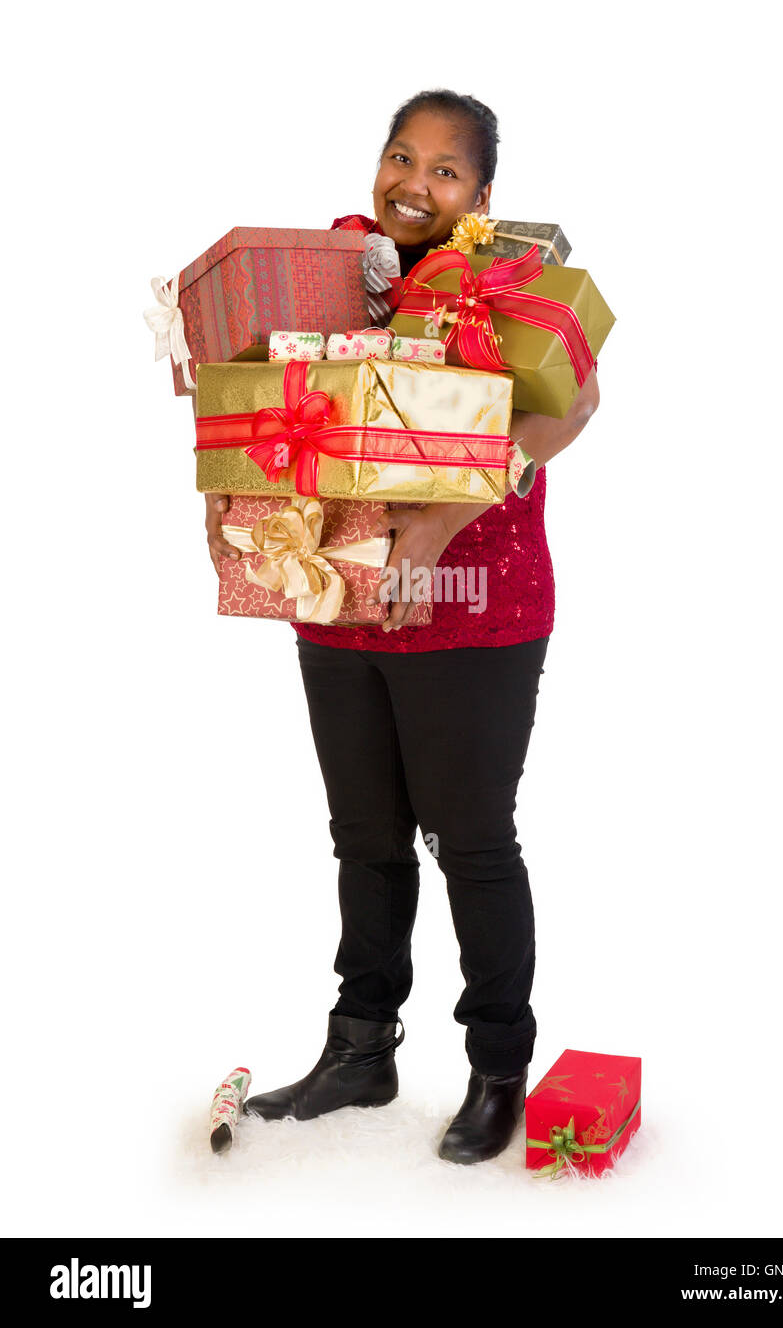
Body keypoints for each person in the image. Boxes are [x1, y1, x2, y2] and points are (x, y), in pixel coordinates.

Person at [206, 90, 601, 1163]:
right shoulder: (334, 273)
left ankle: (495, 1068)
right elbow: (265, 406)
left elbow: (574, 403)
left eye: (443, 170)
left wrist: (442, 518)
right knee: (363, 836)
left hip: (475, 606)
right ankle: (360, 1046)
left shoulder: (505, 283)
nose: (413, 184)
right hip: (343, 598)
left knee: (470, 840)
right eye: (400, 157)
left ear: (481, 197)